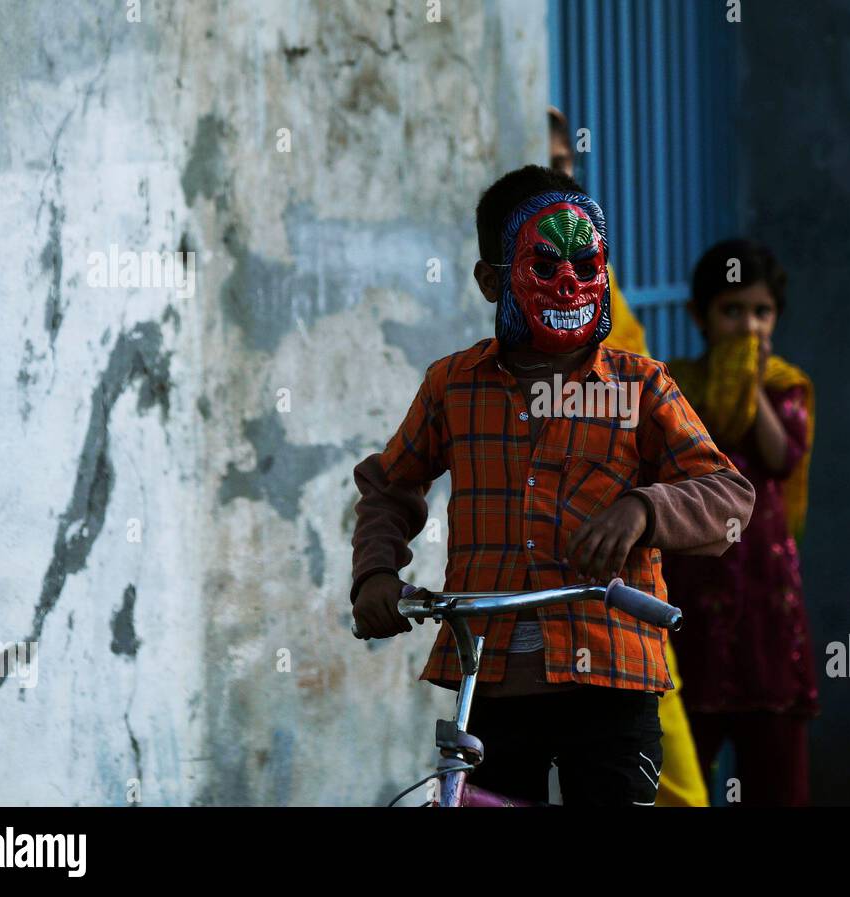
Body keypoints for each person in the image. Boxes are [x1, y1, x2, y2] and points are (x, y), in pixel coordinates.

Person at [349, 165, 755, 806]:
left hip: (614, 683)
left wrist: (644, 510)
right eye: (543, 266)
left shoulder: (640, 387)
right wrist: (375, 574)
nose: (569, 284)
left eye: (586, 263)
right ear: (490, 281)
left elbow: (728, 496)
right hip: (493, 687)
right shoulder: (452, 387)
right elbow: (390, 488)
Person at [548, 104, 709, 809]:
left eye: (566, 170)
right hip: (516, 572)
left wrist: (639, 504)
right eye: (543, 168)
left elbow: (695, 465)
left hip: (609, 563)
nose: (558, 186)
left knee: (658, 769)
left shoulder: (593, 281)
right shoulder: (498, 308)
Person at [663, 239, 821, 807]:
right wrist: (722, 386)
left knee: (777, 768)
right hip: (696, 589)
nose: (748, 325)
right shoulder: (675, 386)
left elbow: (783, 458)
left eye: (761, 312)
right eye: (732, 311)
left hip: (765, 597)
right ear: (700, 317)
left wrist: (748, 385)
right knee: (684, 756)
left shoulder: (785, 387)